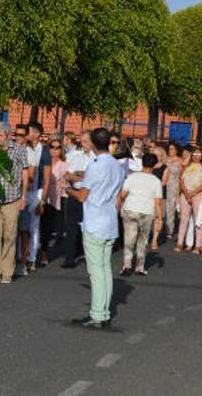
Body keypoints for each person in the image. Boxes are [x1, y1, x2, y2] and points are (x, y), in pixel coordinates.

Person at [66, 128, 125, 329]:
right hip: (109, 220)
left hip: (95, 221)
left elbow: (83, 195)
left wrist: (68, 190)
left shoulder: (96, 165)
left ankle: (98, 315)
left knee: (96, 271)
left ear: (92, 142)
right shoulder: (117, 166)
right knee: (105, 268)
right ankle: (103, 312)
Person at [0, 120, 29, 284]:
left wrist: (24, 197)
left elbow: (24, 174)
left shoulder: (19, 151)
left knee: (9, 236)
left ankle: (7, 272)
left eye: (0, 135)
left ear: (9, 135)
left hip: (12, 199)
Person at [116, 153, 163, 276]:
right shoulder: (156, 181)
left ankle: (126, 266)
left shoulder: (132, 177)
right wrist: (160, 218)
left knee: (129, 238)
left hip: (130, 208)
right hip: (147, 211)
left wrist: (119, 205)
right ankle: (140, 267)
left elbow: (123, 194)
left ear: (142, 162)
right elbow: (158, 202)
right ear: (155, 165)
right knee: (143, 240)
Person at [18, 121, 51, 273]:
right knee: (21, 227)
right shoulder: (22, 148)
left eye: (29, 132)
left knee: (33, 227)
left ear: (37, 134)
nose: (27, 134)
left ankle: (32, 259)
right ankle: (20, 256)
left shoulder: (43, 150)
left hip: (35, 191)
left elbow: (47, 177)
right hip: (22, 191)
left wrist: (43, 200)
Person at [62, 130, 95, 268]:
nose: (82, 143)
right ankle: (69, 257)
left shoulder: (96, 158)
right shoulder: (76, 156)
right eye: (81, 140)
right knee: (71, 227)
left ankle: (89, 255)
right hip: (75, 193)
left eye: (85, 141)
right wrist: (83, 176)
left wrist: (79, 174)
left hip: (90, 195)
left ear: (93, 142)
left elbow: (95, 179)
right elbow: (68, 176)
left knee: (88, 228)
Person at [177, 146, 202, 254]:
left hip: (198, 195)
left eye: (199, 154)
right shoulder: (186, 165)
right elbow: (181, 180)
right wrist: (186, 192)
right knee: (183, 219)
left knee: (198, 220)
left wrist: (193, 193)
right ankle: (180, 243)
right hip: (185, 194)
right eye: (194, 154)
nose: (196, 156)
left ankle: (198, 245)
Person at [42, 138, 67, 265]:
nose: (55, 150)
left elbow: (68, 180)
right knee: (41, 227)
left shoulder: (64, 164)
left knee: (48, 227)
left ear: (61, 149)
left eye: (58, 147)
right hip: (43, 196)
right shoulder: (44, 160)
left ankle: (44, 254)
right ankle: (39, 253)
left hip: (56, 197)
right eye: (52, 146)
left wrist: (64, 184)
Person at [148, 146, 168, 249]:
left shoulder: (165, 167)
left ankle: (155, 239)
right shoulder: (149, 166)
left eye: (158, 155)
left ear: (162, 156)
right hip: (148, 195)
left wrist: (152, 184)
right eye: (154, 154)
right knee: (148, 217)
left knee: (157, 217)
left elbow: (163, 183)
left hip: (159, 195)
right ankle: (146, 236)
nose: (156, 156)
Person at [163, 142, 183, 240]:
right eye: (170, 148)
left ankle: (170, 229)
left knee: (171, 208)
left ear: (177, 150)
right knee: (164, 206)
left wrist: (179, 189)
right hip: (164, 184)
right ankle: (164, 227)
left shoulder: (180, 161)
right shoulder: (165, 159)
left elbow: (181, 175)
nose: (171, 151)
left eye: (173, 149)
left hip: (174, 185)